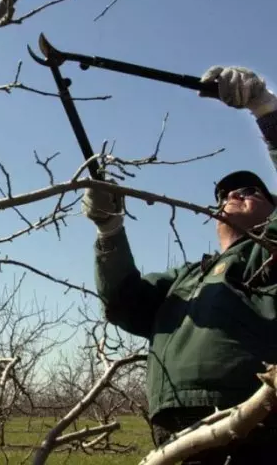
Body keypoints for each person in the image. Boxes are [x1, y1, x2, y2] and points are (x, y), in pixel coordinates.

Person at [81, 66, 277, 465]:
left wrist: (266, 108)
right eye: (225, 193)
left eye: (251, 190)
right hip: (175, 435)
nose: (235, 194)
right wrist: (110, 230)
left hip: (256, 427)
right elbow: (123, 302)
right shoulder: (185, 277)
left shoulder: (271, 254)